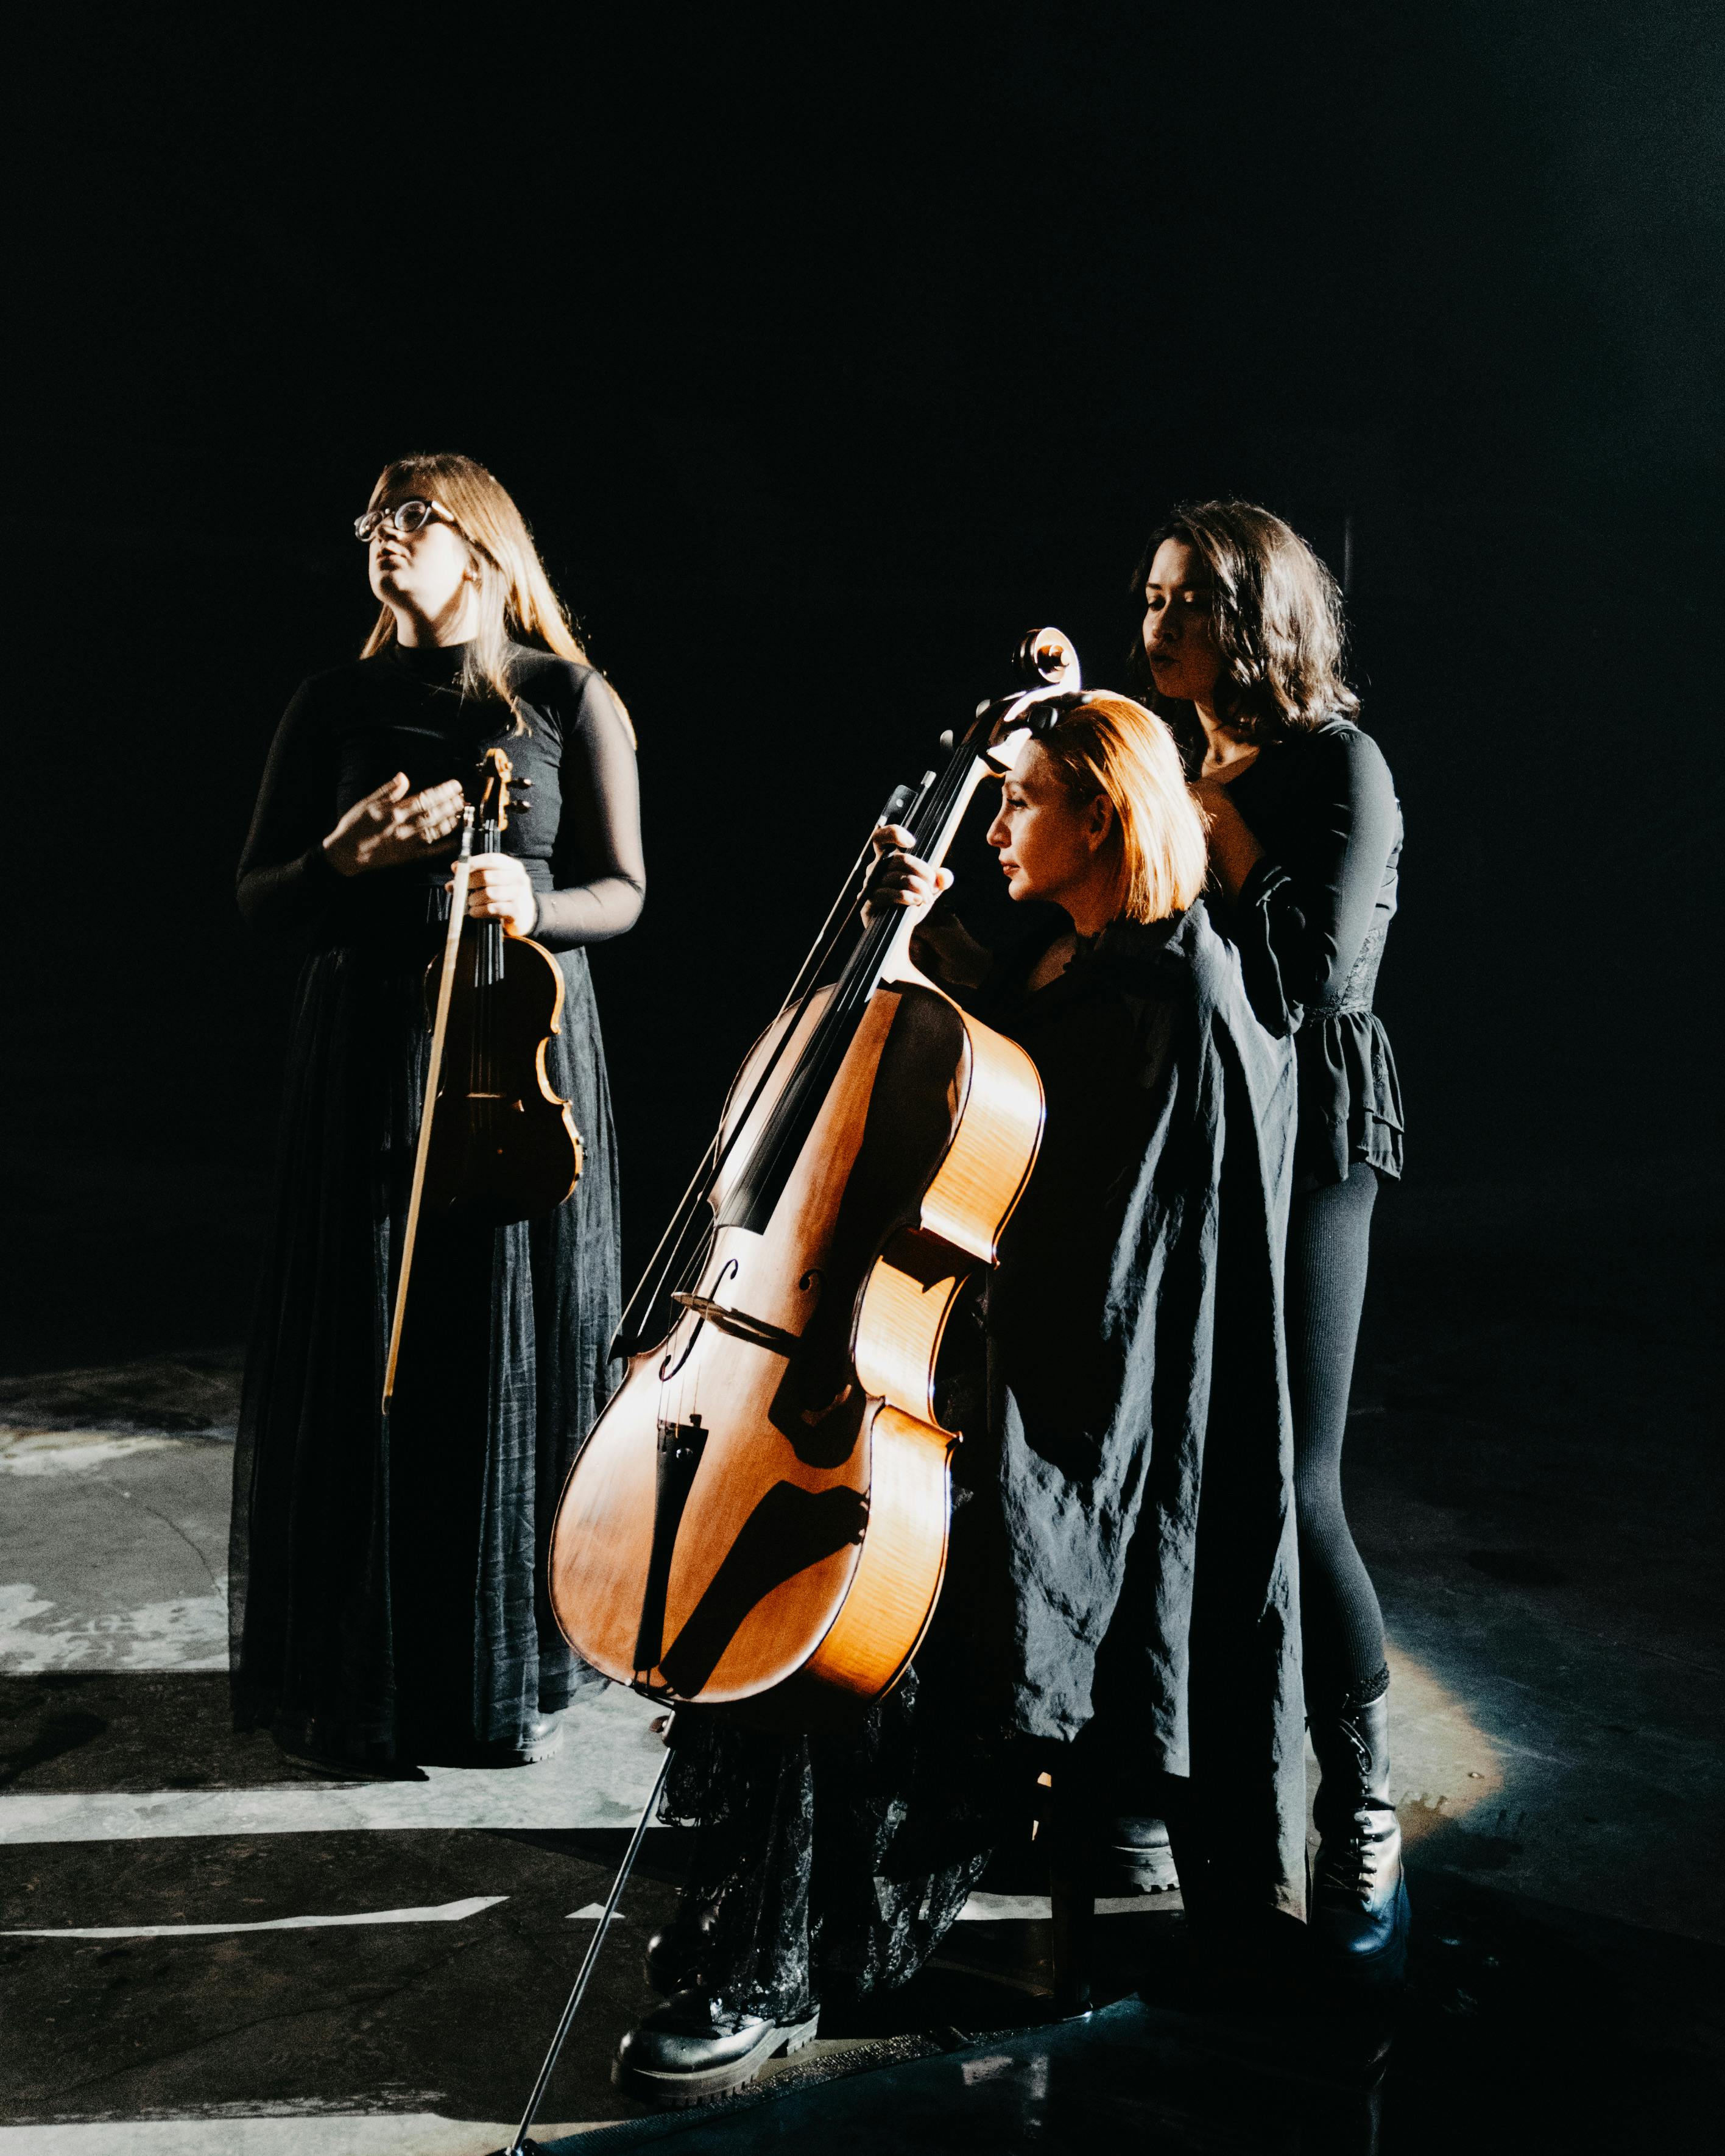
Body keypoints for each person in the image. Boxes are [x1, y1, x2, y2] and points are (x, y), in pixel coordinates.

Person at [612, 692, 1303, 2105]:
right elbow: (975, 1086)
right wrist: (920, 937)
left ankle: (781, 1957)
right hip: (962, 1380)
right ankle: (755, 1903)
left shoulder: (1175, 1000)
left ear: (1099, 818)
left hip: (1064, 1434)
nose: (995, 826)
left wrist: (917, 1365)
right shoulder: (1066, 948)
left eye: (1018, 803)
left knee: (855, 1565)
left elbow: (1104, 1292)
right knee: (807, 1538)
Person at [230, 452, 644, 1774]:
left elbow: (623, 890)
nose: (381, 536)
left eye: (411, 517)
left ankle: (495, 1671)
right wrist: (343, 860)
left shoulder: (566, 697)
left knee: (497, 1335)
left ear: (478, 544)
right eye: (371, 518)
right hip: (368, 1047)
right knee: (369, 1340)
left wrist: (533, 904)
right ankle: (369, 1665)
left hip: (516, 1048)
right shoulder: (331, 702)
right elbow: (260, 897)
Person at [1136, 499, 1408, 1978]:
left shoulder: (1335, 767)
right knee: (1178, 1455)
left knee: (1297, 1476)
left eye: (1185, 602)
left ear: (1255, 616)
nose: (1157, 625)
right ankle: (1168, 1785)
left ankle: (1363, 1804)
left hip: (1309, 1144)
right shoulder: (1162, 750)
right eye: (1153, 599)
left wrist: (1220, 822)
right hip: (1185, 1141)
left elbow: (1316, 982)